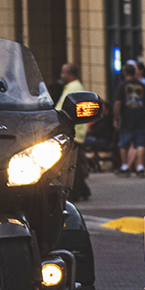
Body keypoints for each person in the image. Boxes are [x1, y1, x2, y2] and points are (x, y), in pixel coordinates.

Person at [55, 63, 90, 200]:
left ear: (70, 74)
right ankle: (83, 190)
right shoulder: (72, 87)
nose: (61, 75)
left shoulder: (73, 88)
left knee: (71, 163)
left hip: (72, 130)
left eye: (63, 72)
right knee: (75, 162)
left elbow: (63, 109)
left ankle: (76, 191)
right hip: (74, 129)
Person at [113, 61, 145, 177]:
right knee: (140, 144)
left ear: (125, 73)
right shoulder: (142, 86)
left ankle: (125, 166)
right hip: (140, 118)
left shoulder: (122, 85)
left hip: (126, 118)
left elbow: (118, 103)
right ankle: (140, 167)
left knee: (123, 144)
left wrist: (116, 117)